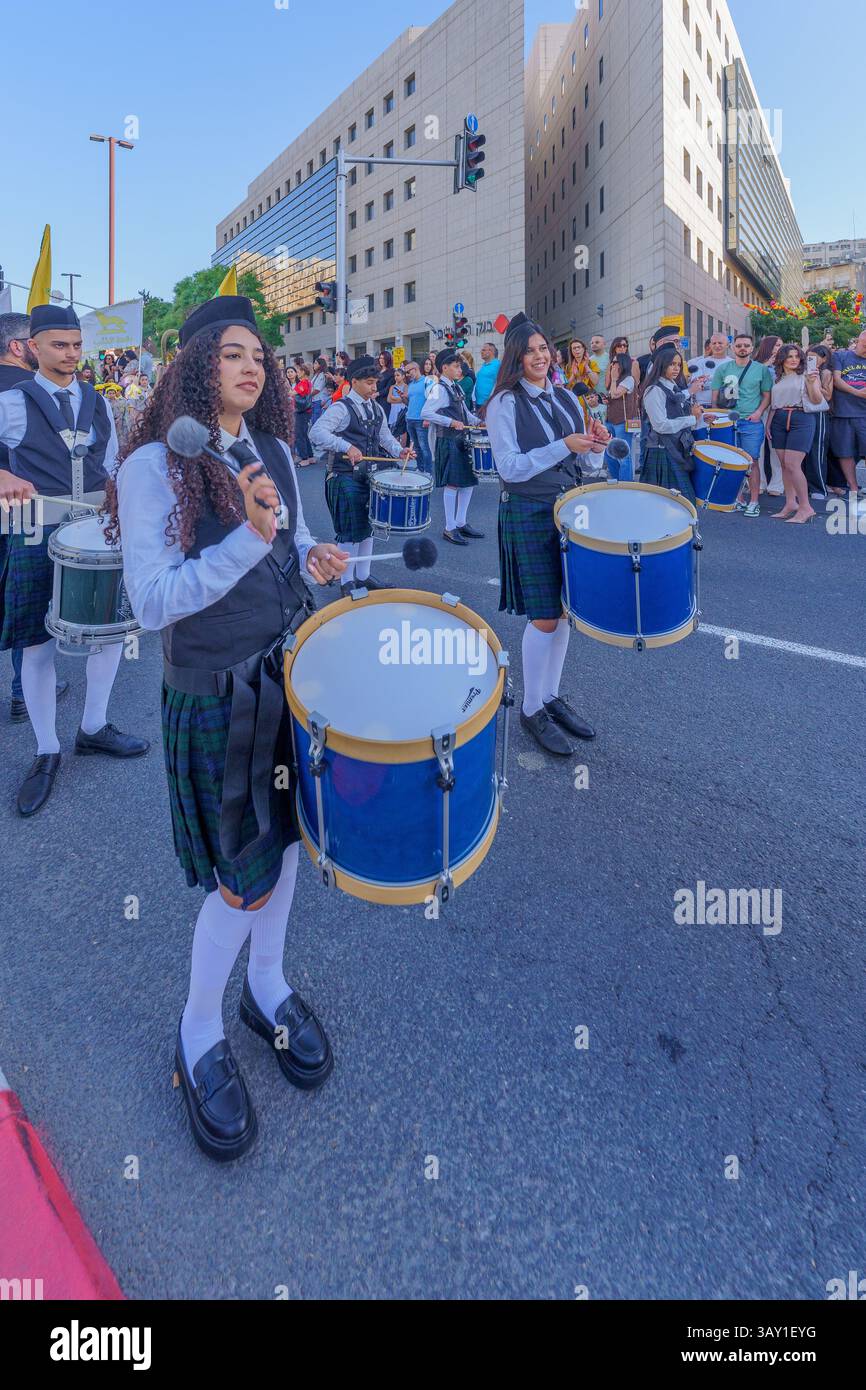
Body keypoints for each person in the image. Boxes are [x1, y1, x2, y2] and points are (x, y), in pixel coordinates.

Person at [107, 294, 348, 1163]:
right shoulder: (152, 469)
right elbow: (151, 601)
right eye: (233, 353)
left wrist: (311, 555)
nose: (253, 366)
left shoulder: (277, 448)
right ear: (196, 364)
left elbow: (295, 539)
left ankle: (268, 986)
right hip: (213, 692)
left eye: (261, 355)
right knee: (240, 880)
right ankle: (199, 1029)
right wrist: (249, 542)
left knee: (283, 848)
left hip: (285, 678)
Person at [0, 304, 149, 816]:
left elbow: (111, 466)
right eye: (59, 345)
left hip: (95, 533)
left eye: (76, 345)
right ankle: (46, 749)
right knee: (38, 643)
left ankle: (92, 726)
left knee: (108, 631)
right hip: (34, 530)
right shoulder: (12, 400)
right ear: (32, 348)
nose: (70, 354)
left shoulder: (98, 402)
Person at [486, 314, 603, 756]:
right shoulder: (504, 403)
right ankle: (531, 708)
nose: (539, 356)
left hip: (569, 510)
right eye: (530, 350)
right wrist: (564, 446)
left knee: (566, 611)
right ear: (516, 357)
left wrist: (592, 446)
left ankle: (551, 697)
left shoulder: (570, 398)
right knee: (544, 616)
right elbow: (509, 468)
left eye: (543, 348)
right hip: (528, 509)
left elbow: (586, 467)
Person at [0, 312, 71, 723]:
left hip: (21, 514)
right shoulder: (26, 391)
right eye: (36, 340)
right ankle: (22, 691)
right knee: (30, 608)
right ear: (19, 347)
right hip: (25, 517)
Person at [310, 354, 414, 591]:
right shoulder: (341, 408)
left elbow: (385, 437)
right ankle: (347, 582)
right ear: (354, 381)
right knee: (350, 532)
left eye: (375, 382)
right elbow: (316, 433)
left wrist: (400, 450)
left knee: (367, 528)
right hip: (343, 476)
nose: (374, 387)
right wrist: (345, 446)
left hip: (368, 477)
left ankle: (364, 575)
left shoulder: (376, 408)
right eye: (369, 382)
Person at [421, 347, 484, 546]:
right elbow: (426, 412)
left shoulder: (455, 387)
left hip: (461, 440)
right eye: (456, 366)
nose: (460, 369)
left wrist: (477, 421)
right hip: (448, 440)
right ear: (444, 367)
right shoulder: (438, 389)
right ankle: (449, 528)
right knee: (453, 484)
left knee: (468, 481)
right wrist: (449, 422)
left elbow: (464, 412)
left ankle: (461, 522)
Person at [709, 332, 773, 518]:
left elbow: (767, 396)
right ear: (733, 347)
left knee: (752, 461)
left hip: (751, 422)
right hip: (728, 422)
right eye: (739, 346)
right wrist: (718, 417)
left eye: (746, 345)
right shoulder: (723, 369)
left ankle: (753, 501)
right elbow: (715, 397)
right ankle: (738, 498)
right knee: (732, 461)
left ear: (752, 348)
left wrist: (759, 412)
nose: (742, 348)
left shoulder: (761, 369)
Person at [767, 345, 824, 523]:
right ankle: (790, 503)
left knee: (793, 464)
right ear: (782, 358)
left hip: (801, 417)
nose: (793, 359)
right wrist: (768, 424)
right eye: (789, 356)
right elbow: (773, 404)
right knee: (784, 464)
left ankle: (806, 507)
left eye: (797, 356)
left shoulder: (808, 374)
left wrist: (811, 382)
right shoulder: (777, 378)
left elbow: (817, 400)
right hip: (779, 419)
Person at [640, 345, 701, 503]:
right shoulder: (654, 390)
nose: (676, 368)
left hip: (676, 449)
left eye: (679, 365)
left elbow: (676, 417)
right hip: (661, 451)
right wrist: (692, 419)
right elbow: (660, 425)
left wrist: (701, 417)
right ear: (662, 364)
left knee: (681, 504)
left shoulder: (673, 388)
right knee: (665, 505)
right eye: (672, 364)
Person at [830, 327, 866, 501]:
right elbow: (836, 380)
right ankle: (852, 487)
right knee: (845, 452)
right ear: (859, 340)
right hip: (842, 413)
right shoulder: (841, 356)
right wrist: (858, 392)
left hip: (864, 414)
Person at [604, 337, 640, 480]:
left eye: (615, 363)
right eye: (612, 363)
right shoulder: (617, 378)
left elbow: (615, 393)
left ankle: (626, 485)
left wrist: (613, 379)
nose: (613, 365)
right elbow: (610, 394)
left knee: (624, 455)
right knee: (609, 452)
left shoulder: (628, 379)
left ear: (622, 364)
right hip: (611, 420)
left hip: (623, 422)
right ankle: (616, 480)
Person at [753, 336, 785, 495]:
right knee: (756, 448)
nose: (780, 347)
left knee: (775, 447)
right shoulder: (756, 365)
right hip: (757, 408)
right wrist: (765, 365)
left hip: (777, 409)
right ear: (768, 346)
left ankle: (777, 485)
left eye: (781, 345)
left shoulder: (784, 364)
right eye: (777, 345)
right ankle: (759, 483)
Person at [802, 343, 834, 501]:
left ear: (823, 358)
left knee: (817, 450)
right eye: (809, 356)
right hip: (802, 412)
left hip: (819, 413)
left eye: (814, 357)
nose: (811, 359)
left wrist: (815, 382)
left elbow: (828, 396)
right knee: (802, 451)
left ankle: (818, 487)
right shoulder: (801, 369)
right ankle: (804, 486)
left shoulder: (826, 372)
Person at [687, 332, 732, 408]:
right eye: (714, 343)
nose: (717, 346)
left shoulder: (733, 363)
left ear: (727, 345)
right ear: (710, 345)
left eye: (720, 343)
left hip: (726, 405)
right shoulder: (700, 363)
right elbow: (697, 383)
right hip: (703, 406)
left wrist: (709, 379)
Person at [404, 360, 433, 474]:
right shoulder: (411, 385)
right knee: (417, 447)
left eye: (408, 371)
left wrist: (427, 418)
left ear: (415, 369)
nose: (407, 374)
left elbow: (432, 400)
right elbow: (409, 403)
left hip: (421, 419)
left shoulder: (427, 381)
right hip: (410, 418)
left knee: (424, 447)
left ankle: (428, 471)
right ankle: (420, 468)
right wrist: (403, 398)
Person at [473, 342, 500, 417]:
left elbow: (499, 383)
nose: (481, 352)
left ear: (491, 351)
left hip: (490, 404)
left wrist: (489, 399)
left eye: (484, 350)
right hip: (479, 404)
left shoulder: (498, 365)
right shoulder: (484, 365)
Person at [387, 367, 409, 441]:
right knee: (394, 429)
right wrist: (400, 399)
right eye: (395, 376)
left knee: (403, 430)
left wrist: (394, 398)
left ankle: (403, 447)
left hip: (402, 409)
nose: (396, 377)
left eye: (398, 375)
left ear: (403, 376)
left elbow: (405, 399)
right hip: (393, 409)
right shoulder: (392, 387)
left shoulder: (406, 386)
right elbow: (389, 399)